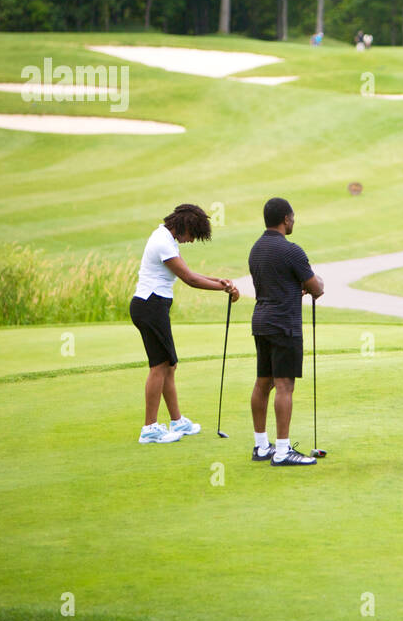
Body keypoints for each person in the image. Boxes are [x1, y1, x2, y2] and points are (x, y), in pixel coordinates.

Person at [131, 204, 239, 443]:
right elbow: (189, 279)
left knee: (169, 365)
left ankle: (177, 421)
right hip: (150, 306)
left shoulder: (167, 238)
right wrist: (223, 289)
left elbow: (188, 272)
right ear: (185, 227)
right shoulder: (162, 242)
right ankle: (149, 428)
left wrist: (219, 281)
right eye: (193, 235)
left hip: (154, 306)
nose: (191, 241)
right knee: (159, 366)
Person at [248, 197, 325, 466]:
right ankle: (282, 451)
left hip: (261, 321)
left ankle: (261, 446)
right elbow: (316, 288)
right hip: (284, 323)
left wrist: (295, 286)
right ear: (286, 220)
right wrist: (314, 284)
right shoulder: (292, 250)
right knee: (284, 385)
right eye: (292, 218)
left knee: (263, 382)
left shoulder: (256, 248)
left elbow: (275, 280)